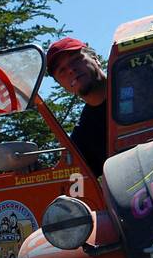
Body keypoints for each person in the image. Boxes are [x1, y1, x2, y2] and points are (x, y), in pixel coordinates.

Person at [45, 37, 109, 177]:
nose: (71, 70)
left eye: (75, 60)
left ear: (95, 58)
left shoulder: (138, 84)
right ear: (62, 86)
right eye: (61, 70)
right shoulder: (83, 136)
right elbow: (74, 182)